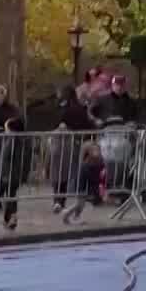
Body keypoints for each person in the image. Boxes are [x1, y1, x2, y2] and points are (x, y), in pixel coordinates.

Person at [50, 83, 96, 213]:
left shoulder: (62, 108)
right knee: (69, 173)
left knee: (58, 173)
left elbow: (56, 122)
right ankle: (63, 201)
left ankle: (58, 201)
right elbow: (88, 126)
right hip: (76, 143)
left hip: (62, 143)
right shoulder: (81, 108)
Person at [0, 116, 35, 231]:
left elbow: (7, 156)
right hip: (13, 173)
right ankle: (8, 218)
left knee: (9, 196)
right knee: (10, 195)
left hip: (9, 173)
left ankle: (11, 218)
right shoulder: (21, 140)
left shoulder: (14, 140)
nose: (5, 131)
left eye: (6, 129)